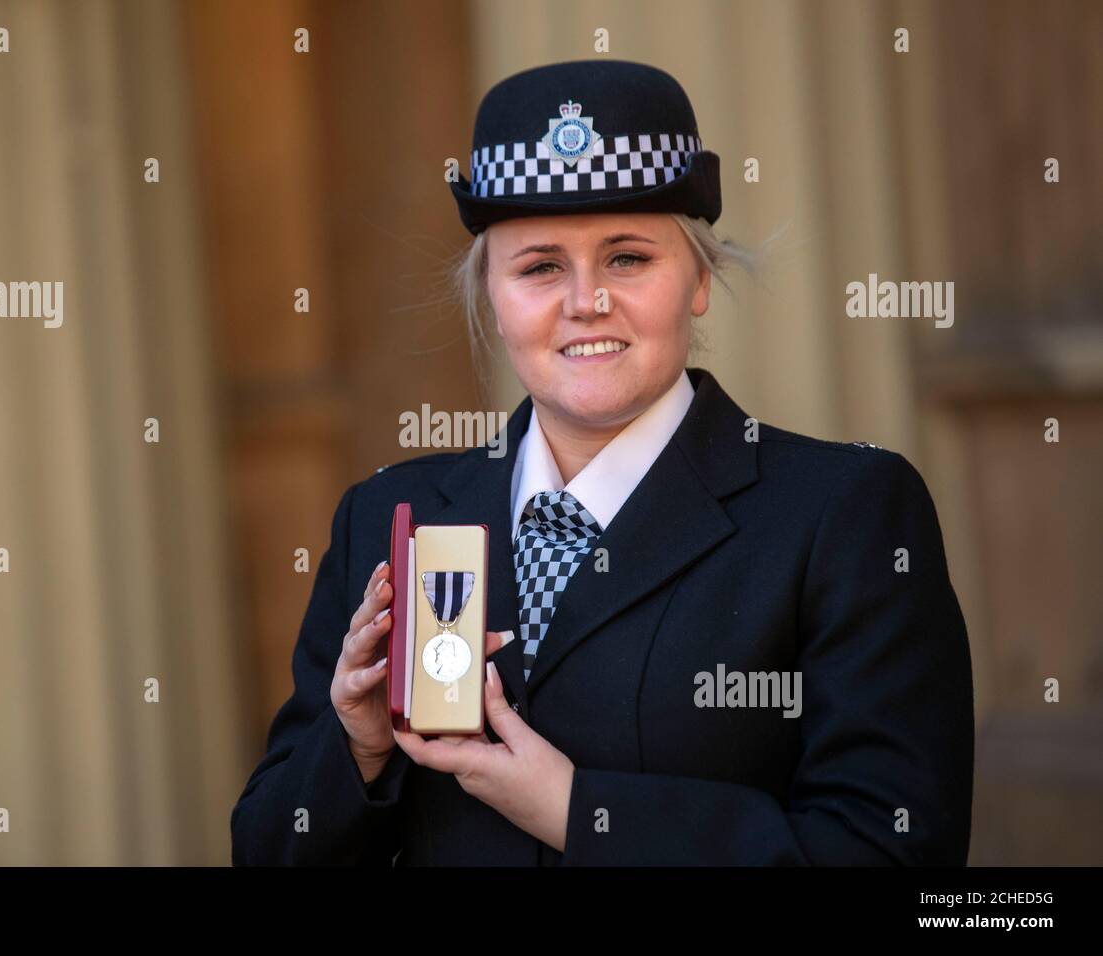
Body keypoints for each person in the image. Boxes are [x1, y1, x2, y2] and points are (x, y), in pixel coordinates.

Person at [230, 59, 974, 866]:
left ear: (698, 278)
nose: (585, 301)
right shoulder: (387, 516)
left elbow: (893, 853)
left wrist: (580, 809)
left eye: (628, 258)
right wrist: (358, 749)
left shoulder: (845, 513)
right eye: (540, 266)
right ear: (491, 295)